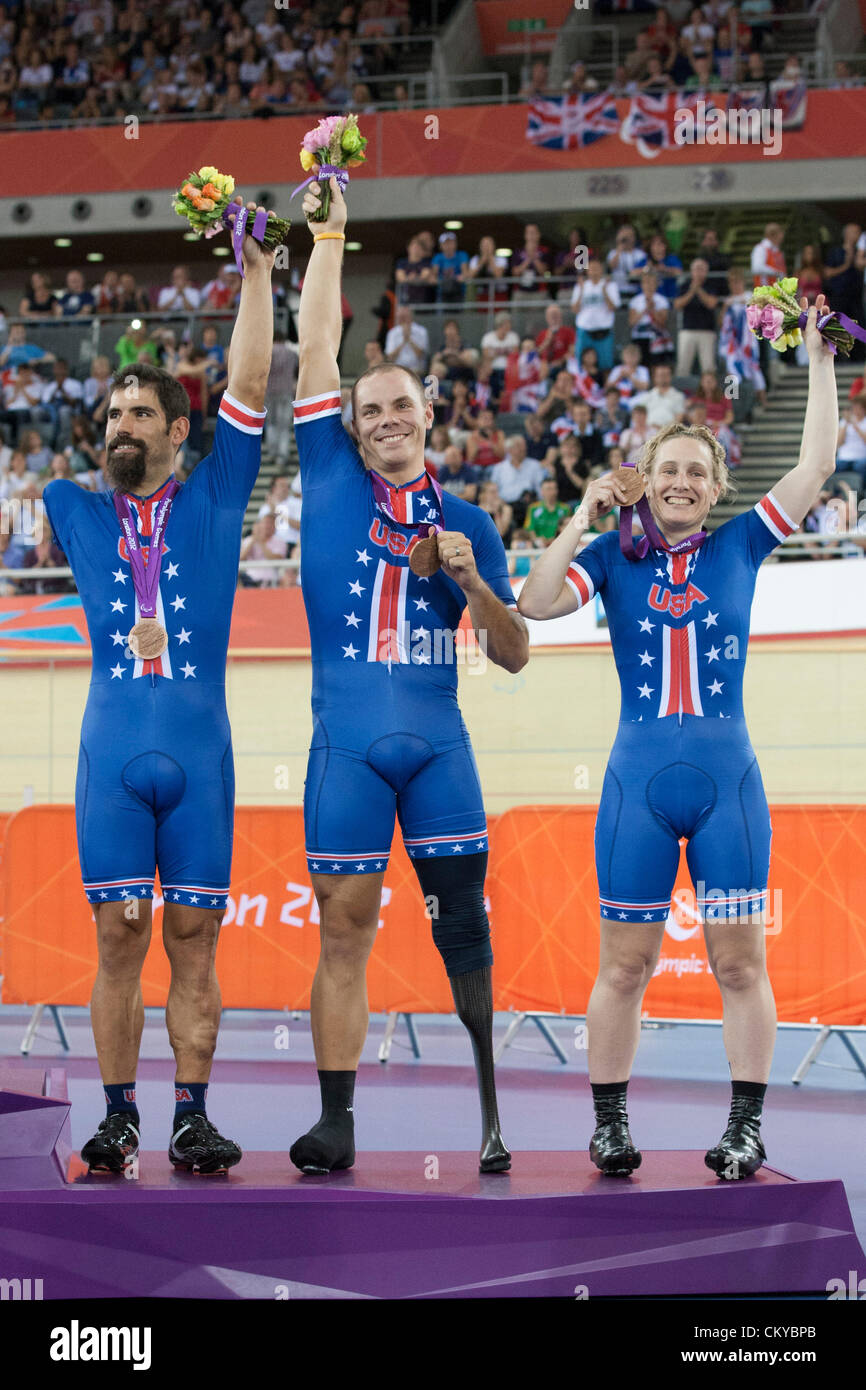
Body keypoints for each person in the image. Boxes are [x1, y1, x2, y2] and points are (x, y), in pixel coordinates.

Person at [517, 295, 839, 1181]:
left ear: (718, 484)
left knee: (741, 962)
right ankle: (610, 1125)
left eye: (699, 471)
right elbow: (535, 604)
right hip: (637, 787)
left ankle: (745, 1128)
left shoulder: (743, 544)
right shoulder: (614, 557)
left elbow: (816, 463)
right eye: (669, 471)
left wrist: (815, 356)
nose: (684, 483)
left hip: (729, 784)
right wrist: (581, 514)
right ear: (646, 480)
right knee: (625, 965)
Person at [290, 175, 529, 1177]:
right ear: (351, 423)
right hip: (346, 748)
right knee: (342, 928)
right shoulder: (329, 474)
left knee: (461, 929)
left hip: (439, 747)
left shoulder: (471, 520)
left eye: (400, 403)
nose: (386, 416)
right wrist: (332, 230)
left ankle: (489, 1113)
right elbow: (312, 345)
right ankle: (335, 1120)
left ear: (427, 410)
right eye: (370, 407)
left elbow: (512, 654)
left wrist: (475, 586)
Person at [39, 199, 275, 1177]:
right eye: (110, 415)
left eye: (139, 412)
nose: (119, 424)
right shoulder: (70, 507)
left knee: (193, 939)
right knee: (116, 936)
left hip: (201, 762)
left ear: (180, 426)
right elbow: (77, 482)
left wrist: (255, 270)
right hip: (112, 758)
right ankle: (119, 1114)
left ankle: (191, 1114)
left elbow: (253, 377)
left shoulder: (219, 497)